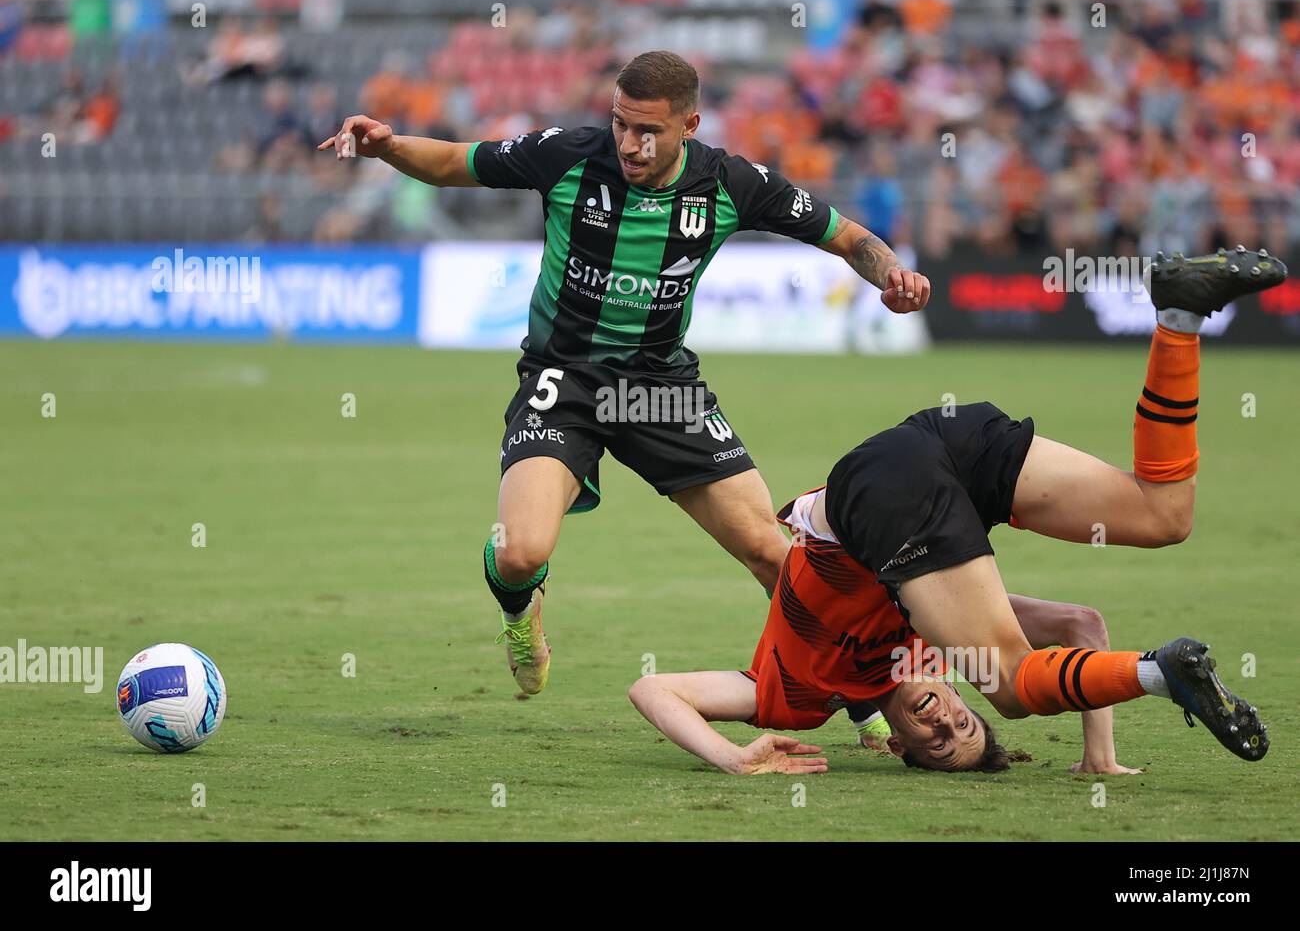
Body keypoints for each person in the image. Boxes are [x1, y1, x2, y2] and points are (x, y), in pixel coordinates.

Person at [318, 50, 931, 695]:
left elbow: (845, 235)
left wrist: (889, 273)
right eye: (620, 124)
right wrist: (386, 146)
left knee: (772, 553)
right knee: (521, 552)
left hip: (660, 390)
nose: (630, 144)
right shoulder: (569, 156)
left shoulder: (732, 183)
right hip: (565, 383)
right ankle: (520, 612)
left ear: (689, 126)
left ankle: (859, 689)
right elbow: (450, 165)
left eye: (649, 131)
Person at [631, 247, 1283, 773]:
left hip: (877, 490)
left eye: (938, 739)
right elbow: (1081, 624)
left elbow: (653, 689)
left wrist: (735, 757)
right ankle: (1179, 318)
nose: (944, 719)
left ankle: (1163, 676)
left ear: (897, 745)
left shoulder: (802, 696)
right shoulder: (945, 623)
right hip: (946, 447)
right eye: (963, 724)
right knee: (1164, 516)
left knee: (1006, 682)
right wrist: (1099, 761)